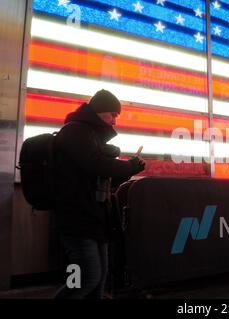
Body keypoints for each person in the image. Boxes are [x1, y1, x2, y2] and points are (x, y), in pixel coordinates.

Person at [53, 89, 145, 299]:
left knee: (100, 277)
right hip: (76, 218)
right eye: (113, 114)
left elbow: (102, 179)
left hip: (94, 218)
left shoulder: (90, 136)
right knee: (84, 278)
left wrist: (129, 168)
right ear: (99, 111)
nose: (114, 121)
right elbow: (95, 165)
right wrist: (128, 166)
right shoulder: (76, 132)